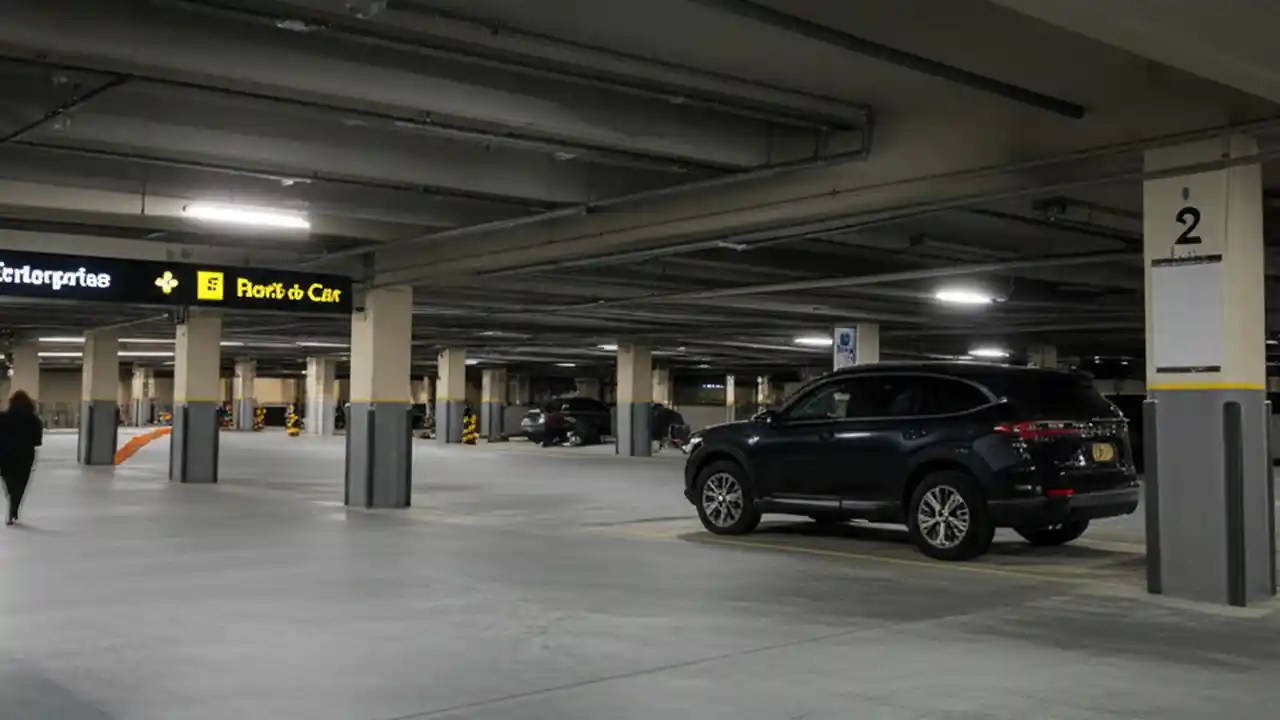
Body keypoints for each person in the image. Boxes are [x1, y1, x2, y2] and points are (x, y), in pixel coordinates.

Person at [0, 390, 44, 526]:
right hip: (24, 456)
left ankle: (11, 500)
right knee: (20, 484)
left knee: (9, 482)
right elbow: (37, 441)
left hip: (4, 455)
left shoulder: (2, 417)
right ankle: (14, 508)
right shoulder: (34, 420)